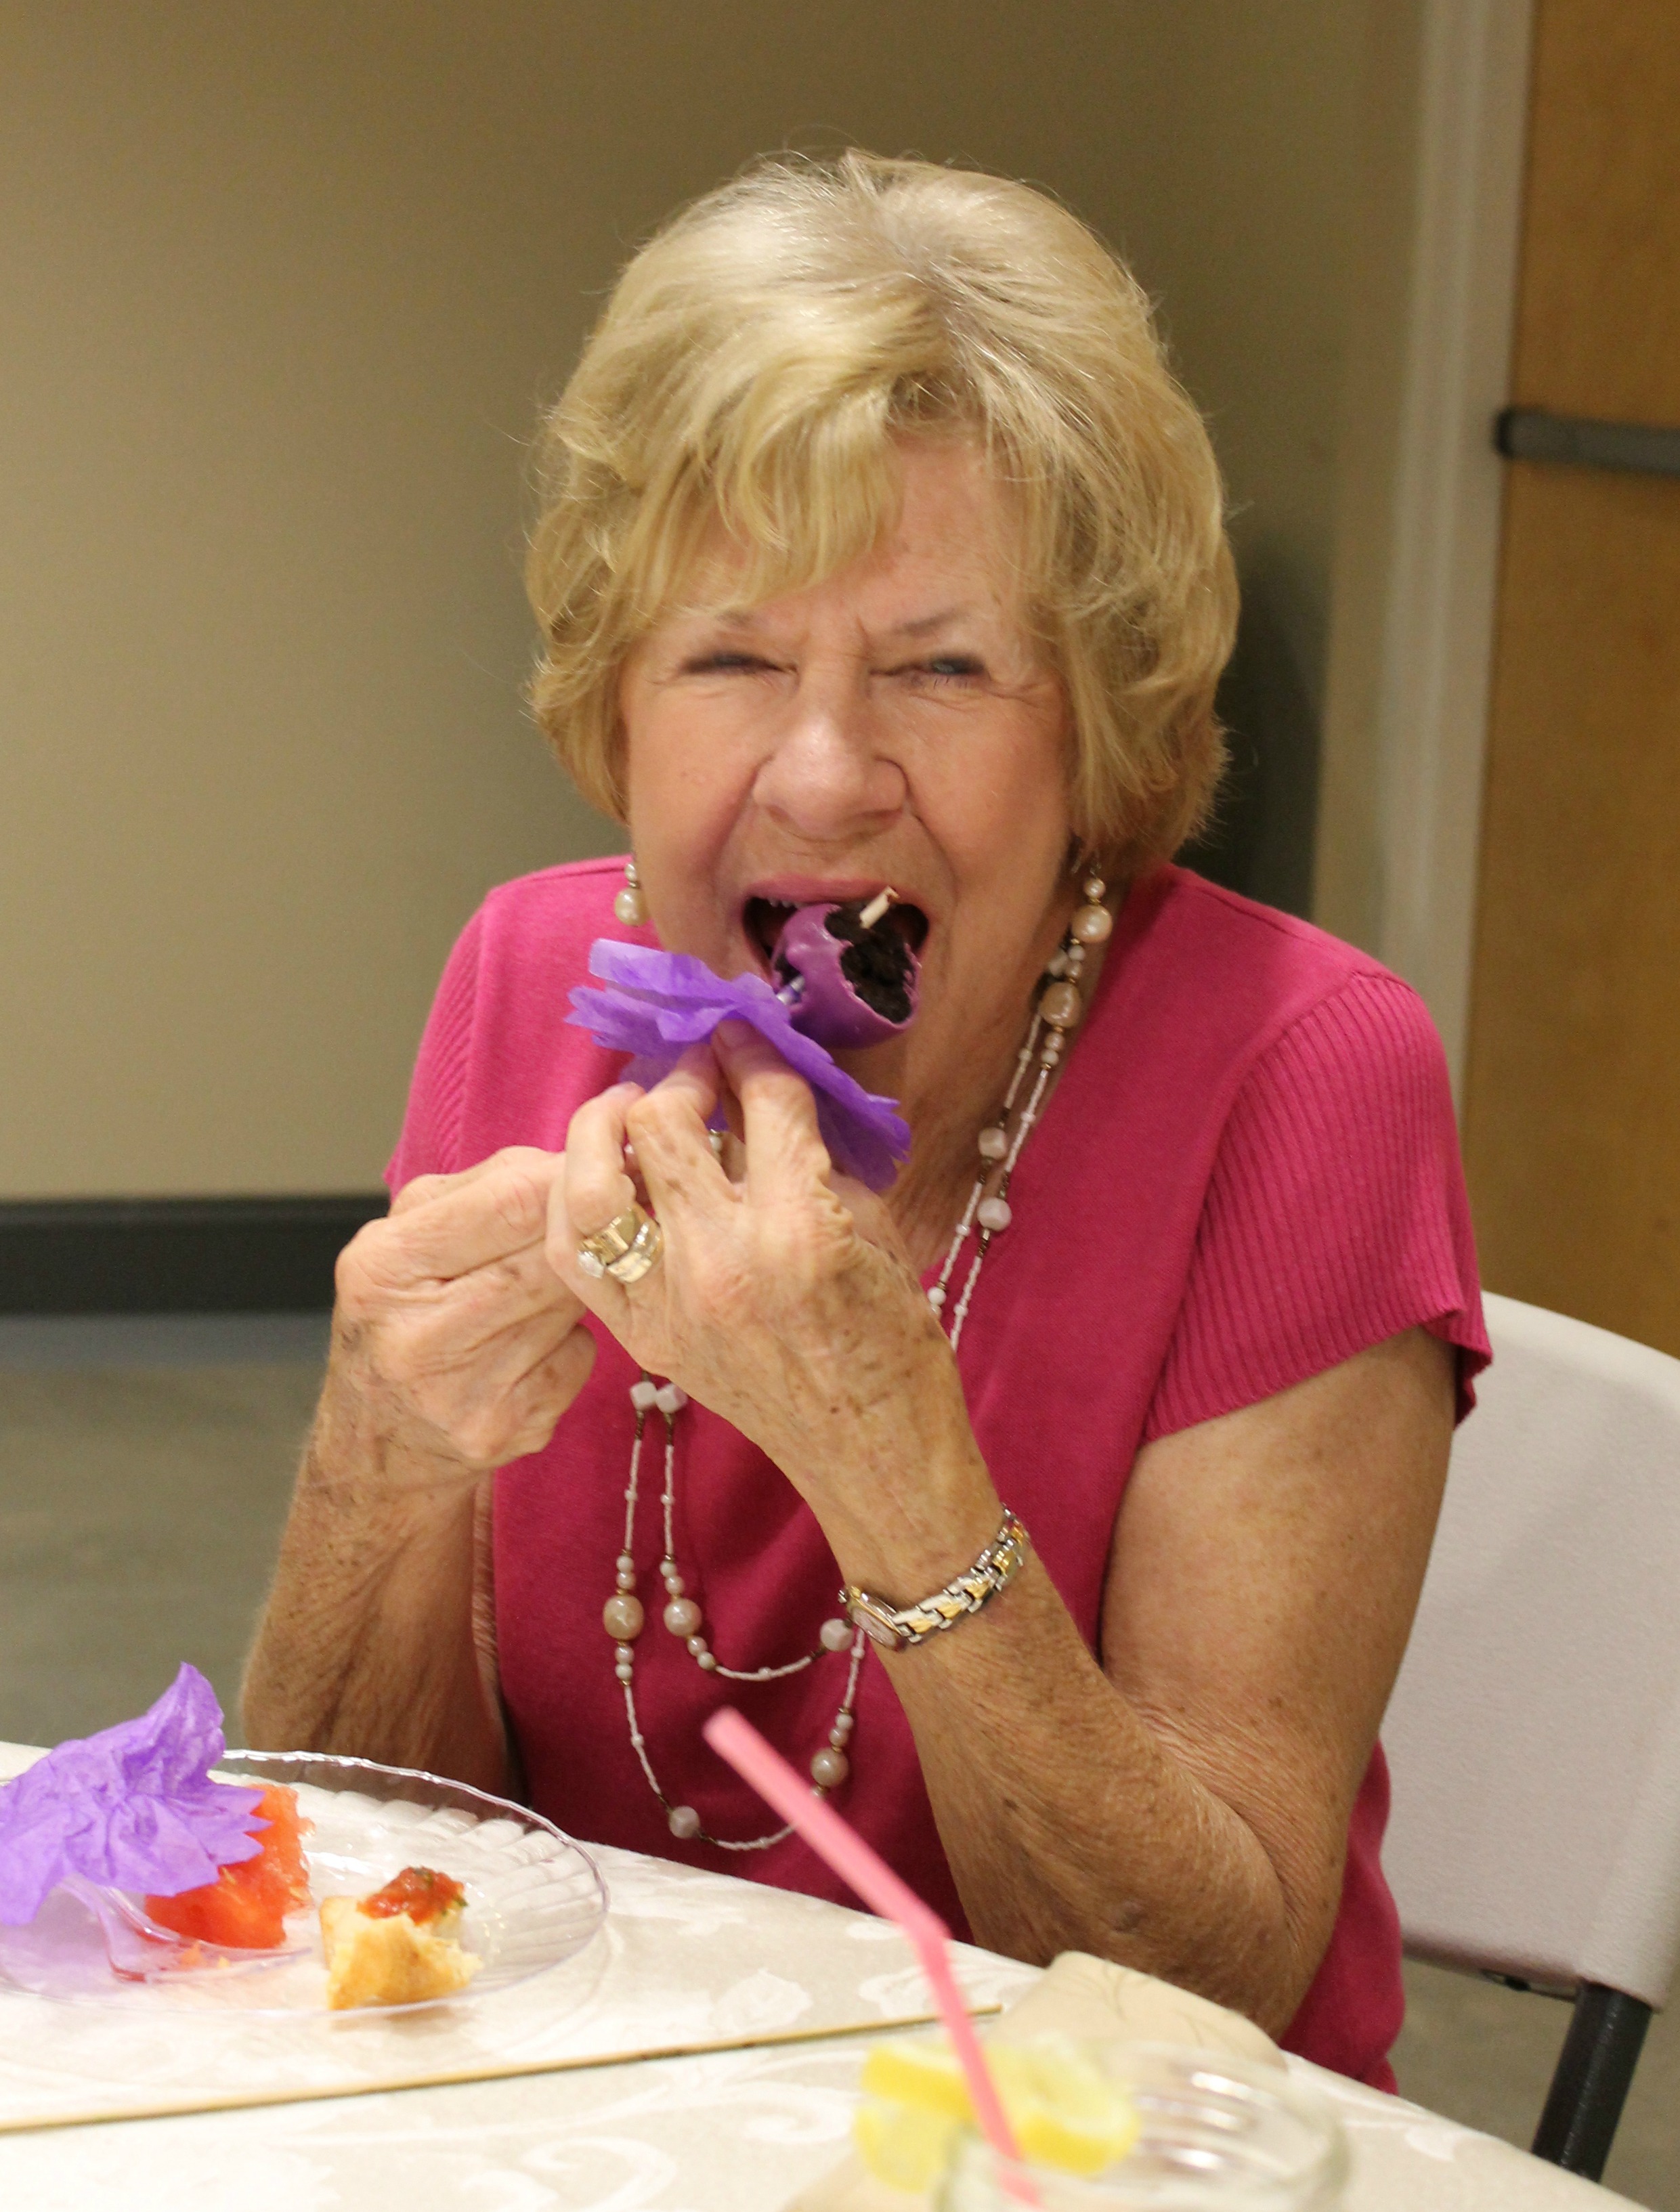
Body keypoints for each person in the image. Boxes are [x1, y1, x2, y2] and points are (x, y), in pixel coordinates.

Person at [244, 152, 1487, 2089]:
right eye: (729, 657)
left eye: (938, 668)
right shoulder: (529, 978)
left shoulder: (1303, 1073)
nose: (822, 781)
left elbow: (1204, 1993)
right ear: (614, 701)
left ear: (1097, 728)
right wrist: (372, 1459)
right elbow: (353, 1865)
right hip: (598, 2126)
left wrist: (891, 1468)